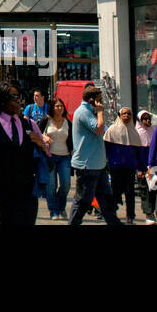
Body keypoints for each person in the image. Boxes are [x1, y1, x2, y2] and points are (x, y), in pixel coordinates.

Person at [0, 81, 49, 225]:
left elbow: (47, 153)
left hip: (28, 190)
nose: (19, 101)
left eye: (19, 96)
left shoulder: (29, 124)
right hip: (3, 190)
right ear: (2, 100)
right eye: (14, 97)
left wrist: (41, 144)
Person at [67, 85, 122, 225]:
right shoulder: (83, 112)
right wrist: (100, 112)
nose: (102, 102)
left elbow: (104, 130)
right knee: (83, 201)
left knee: (106, 200)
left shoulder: (91, 111)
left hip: (98, 165)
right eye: (99, 100)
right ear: (93, 100)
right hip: (87, 165)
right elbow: (99, 129)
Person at [103, 107, 143, 224]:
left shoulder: (134, 132)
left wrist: (140, 168)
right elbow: (106, 149)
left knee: (130, 193)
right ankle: (113, 213)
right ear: (119, 115)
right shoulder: (111, 130)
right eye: (124, 113)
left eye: (129, 114)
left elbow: (138, 151)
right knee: (115, 192)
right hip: (116, 167)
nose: (127, 116)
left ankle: (130, 216)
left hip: (130, 167)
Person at [38, 97, 73, 220]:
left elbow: (72, 139)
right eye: (57, 106)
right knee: (51, 186)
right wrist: (44, 137)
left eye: (61, 106)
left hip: (65, 157)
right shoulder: (46, 121)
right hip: (49, 157)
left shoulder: (68, 122)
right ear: (52, 108)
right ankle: (54, 210)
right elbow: (36, 133)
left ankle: (61, 206)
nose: (59, 108)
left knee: (66, 184)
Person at [134, 109, 157, 222]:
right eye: (145, 119)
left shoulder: (154, 130)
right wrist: (138, 168)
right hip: (142, 165)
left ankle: (153, 210)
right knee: (144, 190)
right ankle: (148, 212)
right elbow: (136, 152)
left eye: (149, 119)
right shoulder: (137, 132)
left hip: (154, 164)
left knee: (156, 188)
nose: (147, 121)